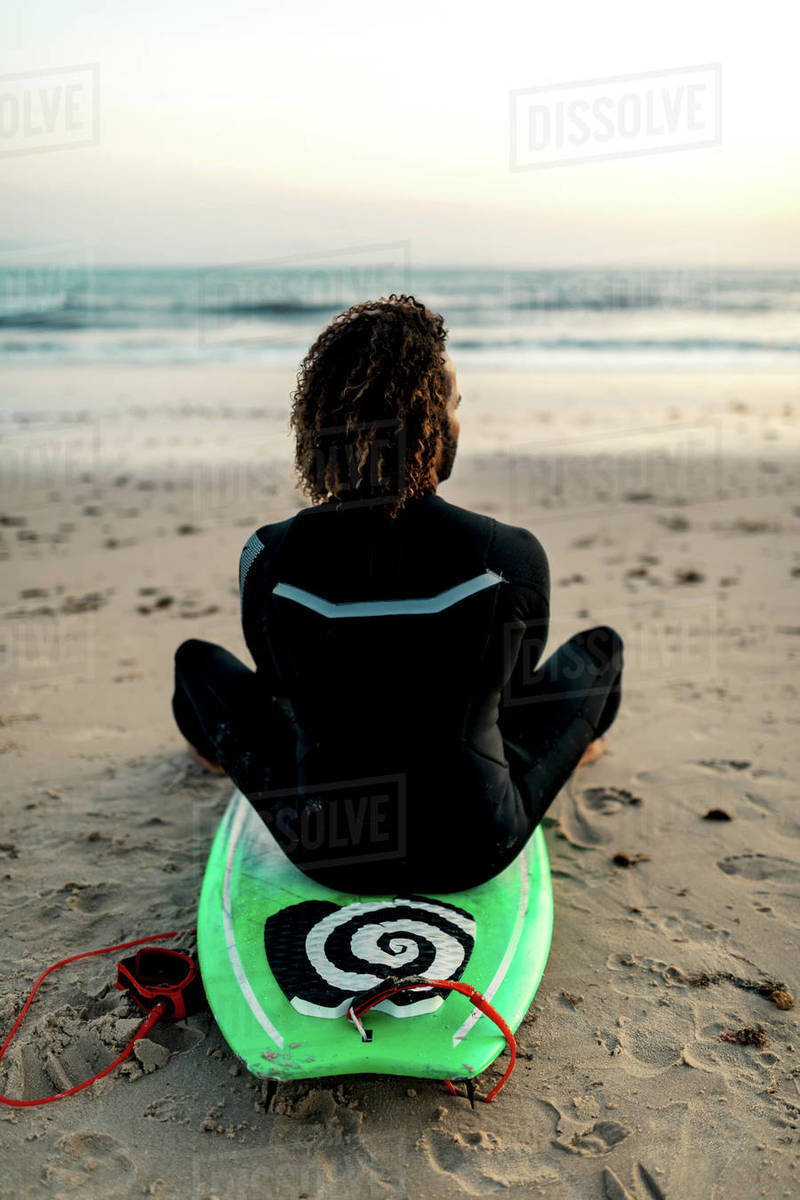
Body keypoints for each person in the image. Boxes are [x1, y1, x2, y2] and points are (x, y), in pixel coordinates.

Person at [172, 296, 623, 894]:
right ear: (429, 424)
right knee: (599, 652)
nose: (459, 420)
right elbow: (513, 695)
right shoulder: (513, 556)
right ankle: (578, 752)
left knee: (196, 665)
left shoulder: (268, 554)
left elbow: (276, 688)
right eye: (454, 405)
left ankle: (220, 761)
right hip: (472, 845)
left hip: (327, 849)